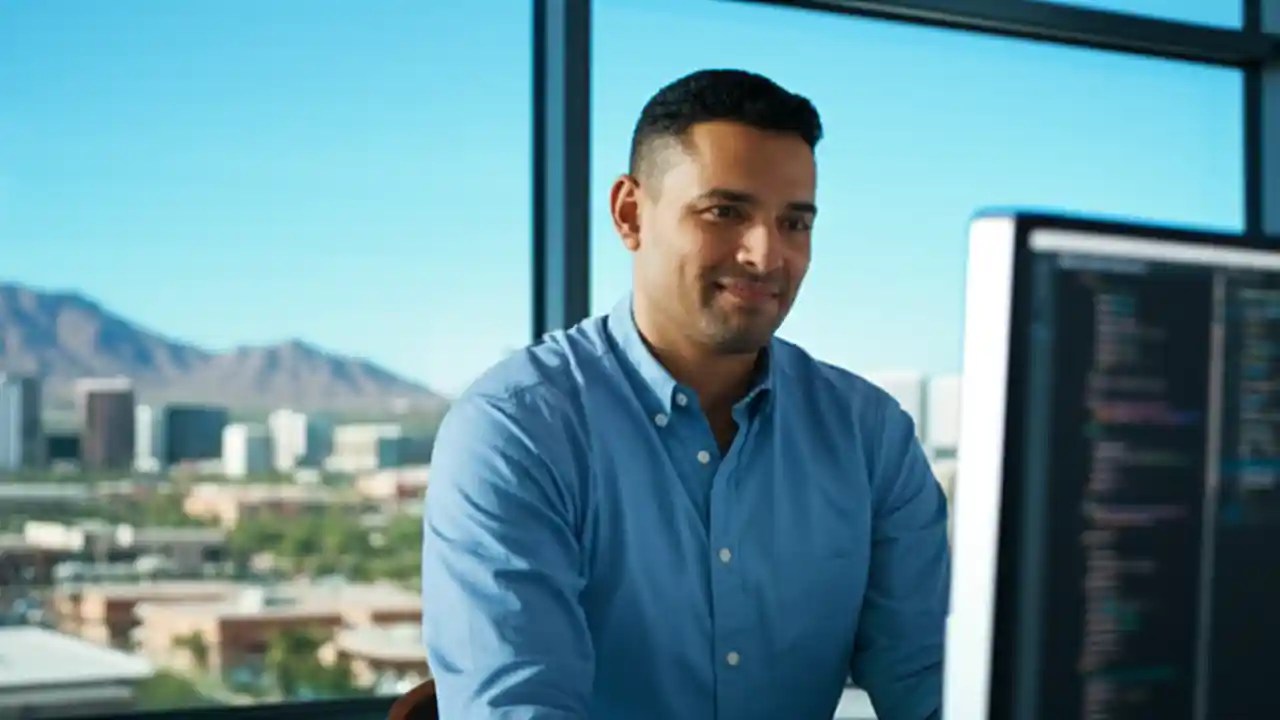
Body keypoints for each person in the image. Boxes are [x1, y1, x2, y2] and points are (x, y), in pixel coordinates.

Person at [420, 68, 950, 720]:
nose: (766, 254)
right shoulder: (517, 431)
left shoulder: (871, 438)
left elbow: (937, 687)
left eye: (794, 222)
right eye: (725, 212)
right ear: (630, 214)